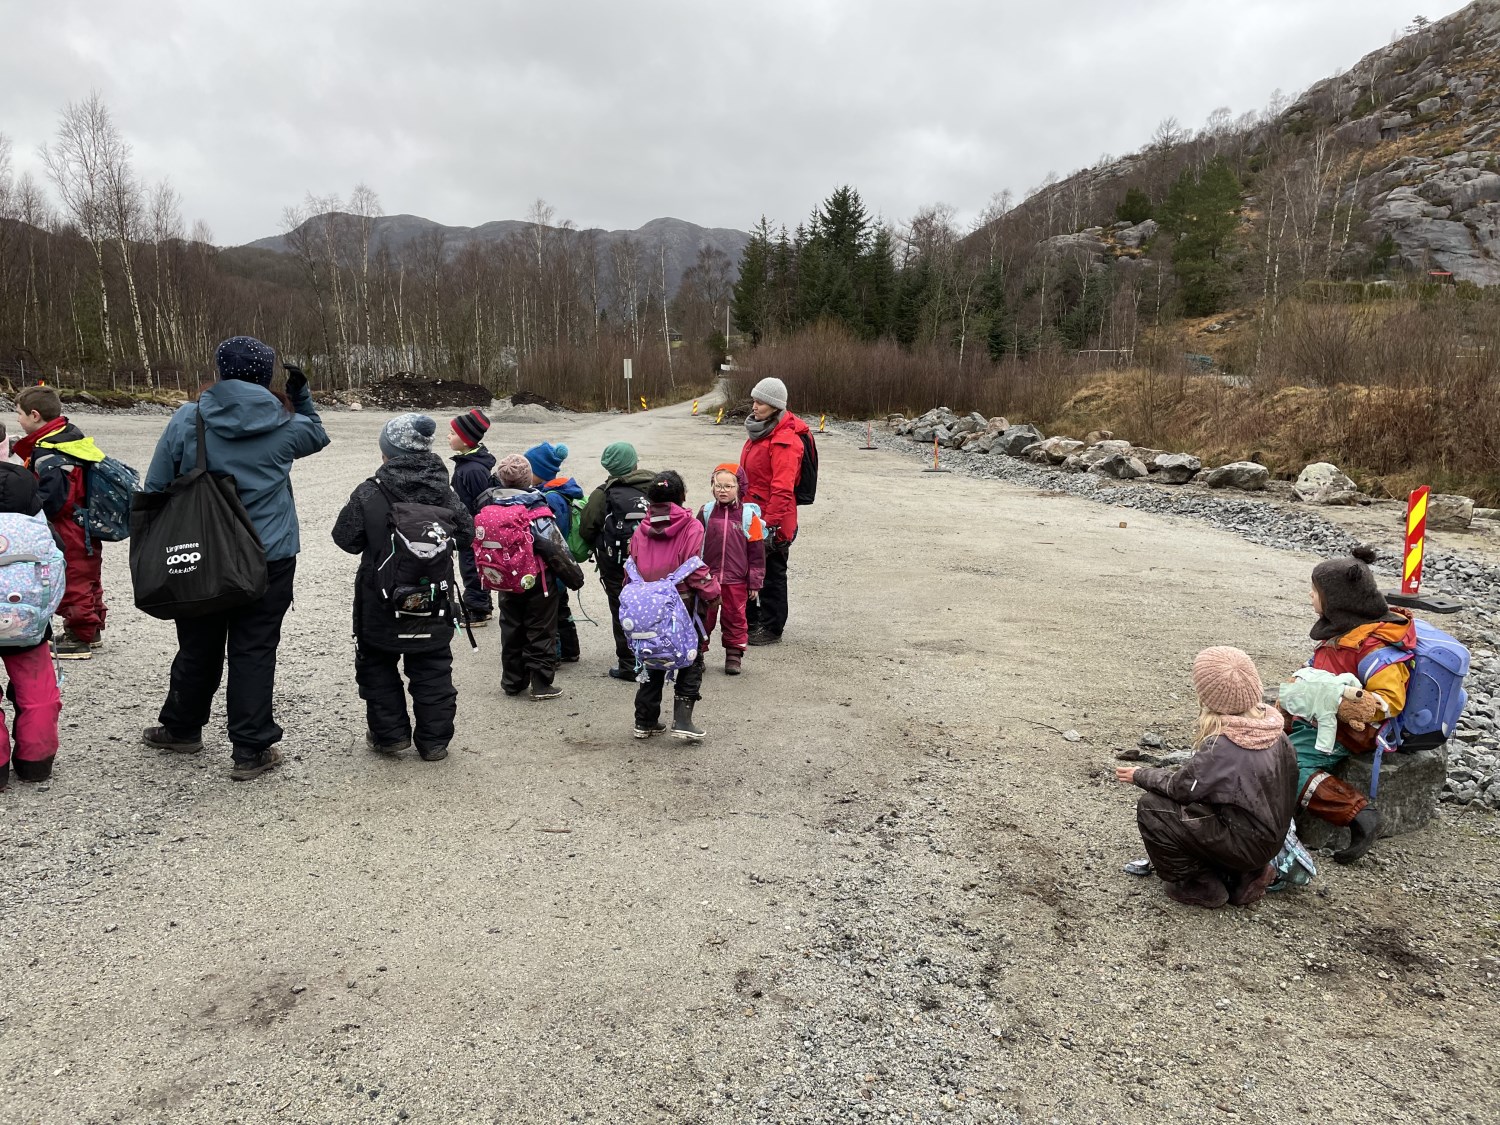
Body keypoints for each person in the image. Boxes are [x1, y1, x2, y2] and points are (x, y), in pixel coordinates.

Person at [140, 336, 330, 781]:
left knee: (198, 642)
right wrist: (300, 393)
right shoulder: (287, 423)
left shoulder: (189, 418)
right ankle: (250, 748)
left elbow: (155, 486)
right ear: (266, 377)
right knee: (255, 648)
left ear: (221, 371)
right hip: (269, 554)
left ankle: (183, 728)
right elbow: (318, 432)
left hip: (201, 552)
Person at [333, 414, 473, 761]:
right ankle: (434, 742)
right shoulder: (446, 492)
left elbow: (346, 539)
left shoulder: (370, 490)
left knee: (377, 666)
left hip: (379, 599)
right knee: (433, 668)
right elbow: (468, 536)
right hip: (432, 597)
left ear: (387, 450)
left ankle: (390, 736)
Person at [1116, 647, 1298, 908]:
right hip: (1268, 841)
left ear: (1209, 697)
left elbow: (1180, 788)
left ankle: (1199, 884)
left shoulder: (1224, 746)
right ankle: (1246, 875)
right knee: (1211, 807)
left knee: (1152, 807)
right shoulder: (1276, 732)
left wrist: (1140, 774)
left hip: (1245, 844)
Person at [1287, 545, 1407, 863]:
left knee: (1290, 765)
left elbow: (1390, 701)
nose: (1310, 596)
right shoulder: (1343, 632)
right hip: (1320, 715)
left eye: (1316, 592)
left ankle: (1361, 816)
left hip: (1350, 729)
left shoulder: (1373, 647)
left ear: (1338, 600)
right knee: (1268, 733)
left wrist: (1347, 703)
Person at [475, 453, 583, 700]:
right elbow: (554, 547)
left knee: (511, 629)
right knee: (540, 630)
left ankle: (512, 681)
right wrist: (574, 578)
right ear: (528, 479)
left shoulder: (490, 507)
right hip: (538, 581)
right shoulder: (536, 508)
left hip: (506, 581)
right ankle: (542, 684)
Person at [13, 385, 109, 659]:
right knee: (89, 575)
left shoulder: (48, 450)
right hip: (86, 521)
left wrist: (30, 510)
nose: (17, 420)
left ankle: (79, 637)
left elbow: (55, 498)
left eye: (19, 414)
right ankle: (93, 627)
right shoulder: (69, 435)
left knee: (73, 577)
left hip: (68, 524)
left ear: (34, 415)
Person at [626, 470, 720, 741]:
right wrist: (713, 593)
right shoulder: (692, 526)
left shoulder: (641, 529)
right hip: (683, 604)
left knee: (652, 657)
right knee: (690, 658)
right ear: (682, 497)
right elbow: (694, 567)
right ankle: (683, 720)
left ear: (649, 500)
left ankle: (644, 721)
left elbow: (630, 567)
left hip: (647, 605)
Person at [0, 464, 62, 788]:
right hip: (27, 624)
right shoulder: (25, 491)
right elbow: (57, 558)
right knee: (38, 692)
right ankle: (35, 762)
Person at [739, 376, 809, 646]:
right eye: (754, 401)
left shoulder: (785, 441)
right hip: (752, 515)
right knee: (751, 569)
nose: (754, 407)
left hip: (773, 519)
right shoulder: (760, 431)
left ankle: (772, 628)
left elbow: (782, 489)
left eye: (761, 403)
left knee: (772, 573)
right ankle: (753, 620)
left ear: (776, 406)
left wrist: (769, 525)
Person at [579, 441, 655, 681]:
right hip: (656, 565)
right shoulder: (657, 487)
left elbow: (587, 529)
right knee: (655, 607)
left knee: (622, 610)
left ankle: (628, 664)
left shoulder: (603, 494)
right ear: (635, 463)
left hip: (616, 567)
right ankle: (658, 656)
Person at [697, 463, 765, 675]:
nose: (723, 490)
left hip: (736, 580)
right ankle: (697, 654)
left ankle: (734, 654)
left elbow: (756, 553)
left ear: (739, 487)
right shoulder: (706, 512)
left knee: (735, 617)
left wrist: (754, 582)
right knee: (702, 616)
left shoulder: (748, 516)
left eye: (728, 486)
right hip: (708, 578)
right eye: (718, 485)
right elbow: (695, 544)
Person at [525, 441, 585, 663]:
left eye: (530, 470)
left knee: (550, 612)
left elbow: (549, 534)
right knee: (561, 607)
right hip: (561, 563)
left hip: (553, 563)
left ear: (540, 472)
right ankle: (570, 649)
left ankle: (555, 653)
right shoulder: (555, 492)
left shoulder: (550, 498)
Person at [448, 408, 495, 625]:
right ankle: (483, 604)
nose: (448, 436)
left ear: (466, 441)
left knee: (472, 566)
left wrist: (474, 527)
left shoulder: (472, 470)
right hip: (467, 524)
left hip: (473, 527)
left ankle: (477, 610)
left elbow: (482, 501)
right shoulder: (467, 464)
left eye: (453, 433)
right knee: (473, 565)